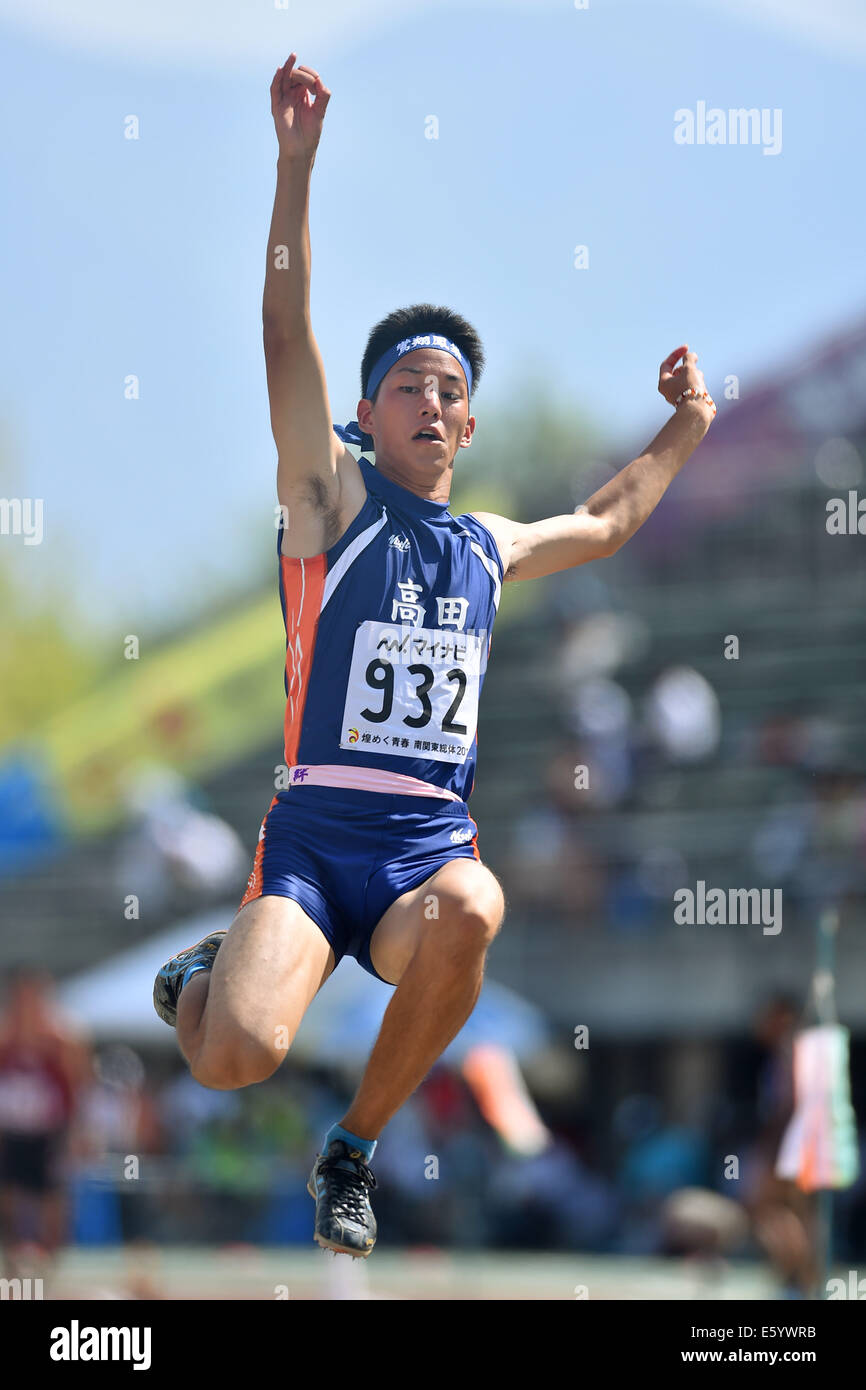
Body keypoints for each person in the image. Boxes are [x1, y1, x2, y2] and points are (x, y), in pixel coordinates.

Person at [153, 54, 717, 1259]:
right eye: (403, 383)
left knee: (478, 900)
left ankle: (350, 1150)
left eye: (447, 389)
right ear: (364, 416)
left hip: (419, 849)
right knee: (233, 1057)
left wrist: (687, 423)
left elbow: (611, 520)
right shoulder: (328, 504)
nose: (427, 398)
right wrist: (294, 168)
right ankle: (203, 977)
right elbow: (276, 330)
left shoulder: (489, 542)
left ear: (466, 424)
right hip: (309, 842)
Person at [0, 969, 91, 1286]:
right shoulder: (5, 1039)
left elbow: (79, 1087)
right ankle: (13, 1265)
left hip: (49, 1132)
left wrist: (79, 1132)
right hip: (11, 1131)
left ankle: (49, 1268)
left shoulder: (62, 1040)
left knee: (51, 1199)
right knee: (9, 1197)